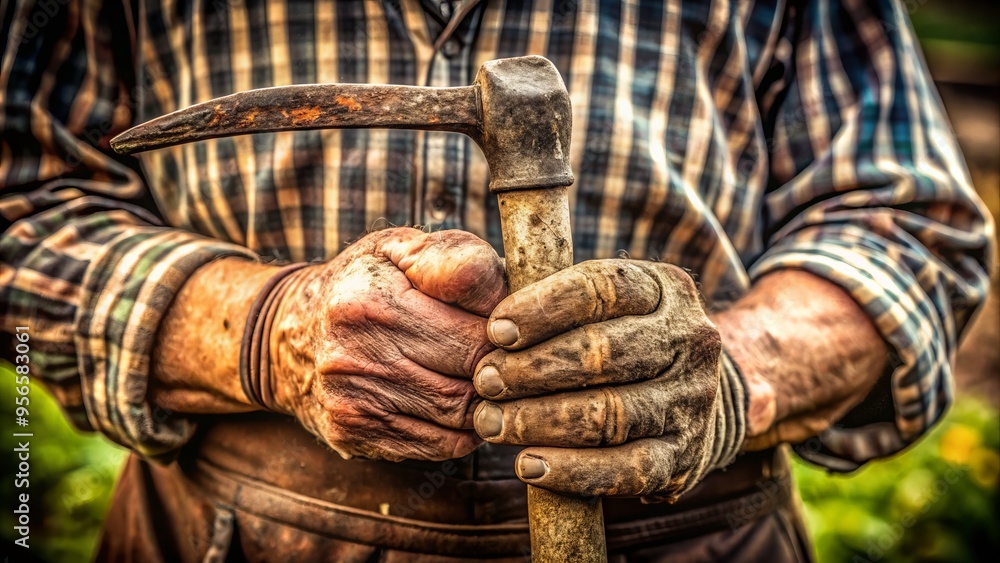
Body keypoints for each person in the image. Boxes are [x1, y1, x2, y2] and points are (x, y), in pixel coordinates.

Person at [1, 0, 993, 560]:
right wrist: (262, 329)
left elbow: (908, 226)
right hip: (227, 536)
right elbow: (20, 203)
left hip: (690, 538)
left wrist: (737, 373)